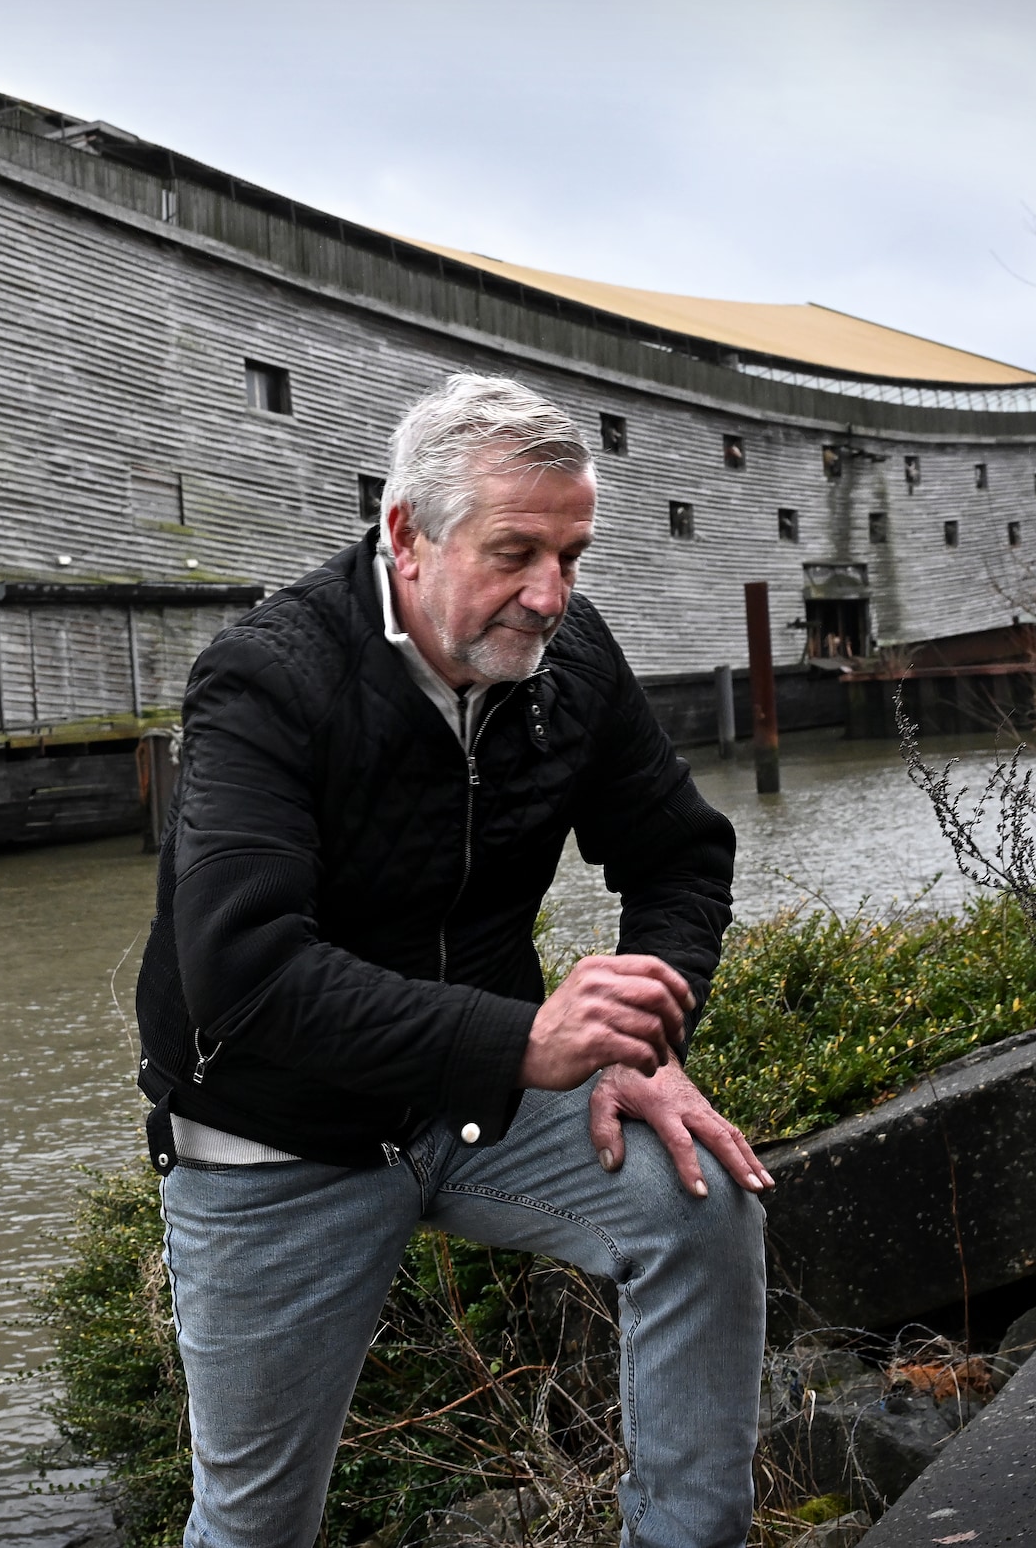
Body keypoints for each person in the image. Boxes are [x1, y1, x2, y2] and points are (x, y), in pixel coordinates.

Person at [132, 372, 772, 1548]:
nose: (549, 594)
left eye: (571, 554)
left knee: (697, 1202)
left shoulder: (568, 659)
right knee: (256, 1522)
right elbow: (242, 967)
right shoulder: (268, 678)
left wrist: (645, 1040)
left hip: (480, 1104)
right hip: (277, 1137)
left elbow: (679, 853)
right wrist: (523, 1041)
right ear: (406, 536)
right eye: (514, 551)